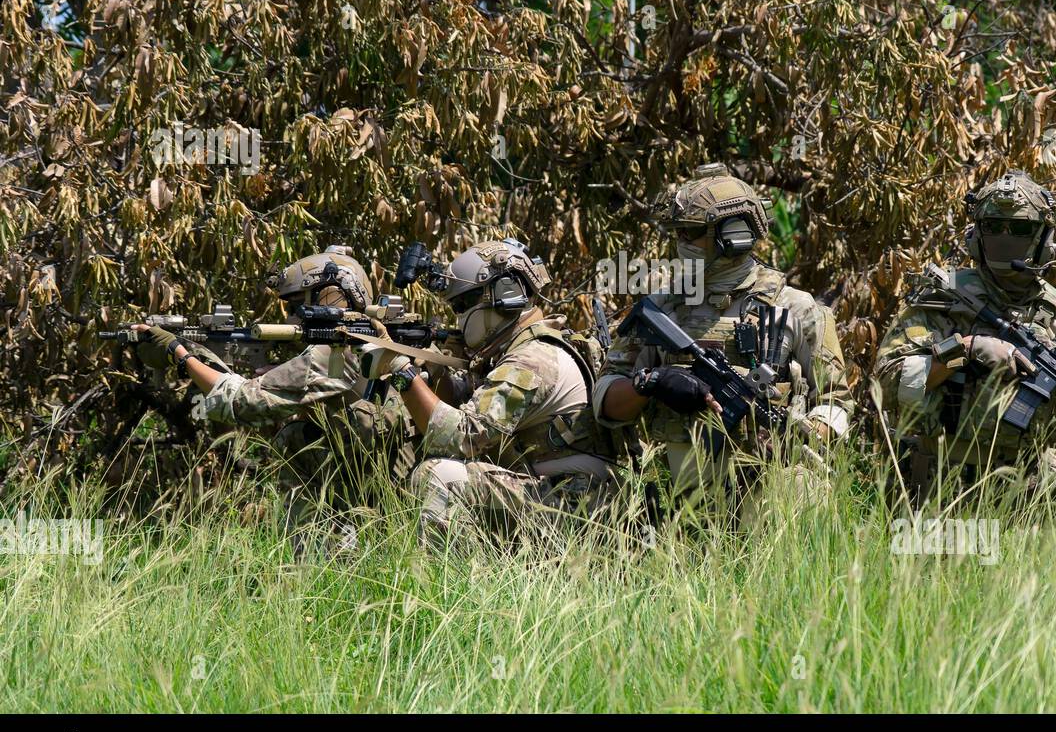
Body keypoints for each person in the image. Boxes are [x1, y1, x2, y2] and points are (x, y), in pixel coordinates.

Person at [872, 171, 1056, 527]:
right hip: (940, 477)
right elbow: (885, 385)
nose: (1005, 238)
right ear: (977, 235)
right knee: (958, 573)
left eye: (1021, 229)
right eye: (994, 226)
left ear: (1046, 239)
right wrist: (965, 348)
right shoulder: (942, 300)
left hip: (1027, 480)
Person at [593, 163, 851, 527]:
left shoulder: (796, 308)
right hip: (677, 484)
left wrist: (801, 433)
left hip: (771, 487)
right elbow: (604, 401)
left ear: (733, 235)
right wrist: (652, 382)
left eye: (691, 232)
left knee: (804, 492)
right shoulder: (663, 307)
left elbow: (837, 402)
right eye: (678, 232)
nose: (680, 242)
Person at [131, 245, 414, 551]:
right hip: (391, 489)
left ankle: (313, 557)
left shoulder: (333, 352)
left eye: (296, 306)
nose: (291, 317)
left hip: (375, 493)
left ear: (331, 297)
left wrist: (180, 354)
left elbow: (242, 403)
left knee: (295, 439)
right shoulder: (375, 339)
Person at [360, 238, 615, 550]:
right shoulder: (514, 351)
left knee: (439, 475)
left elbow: (462, 437)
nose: (459, 316)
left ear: (505, 295)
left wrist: (402, 371)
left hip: (577, 507)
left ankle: (444, 588)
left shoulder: (531, 360)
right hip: (556, 494)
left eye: (463, 305)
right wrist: (436, 372)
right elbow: (460, 407)